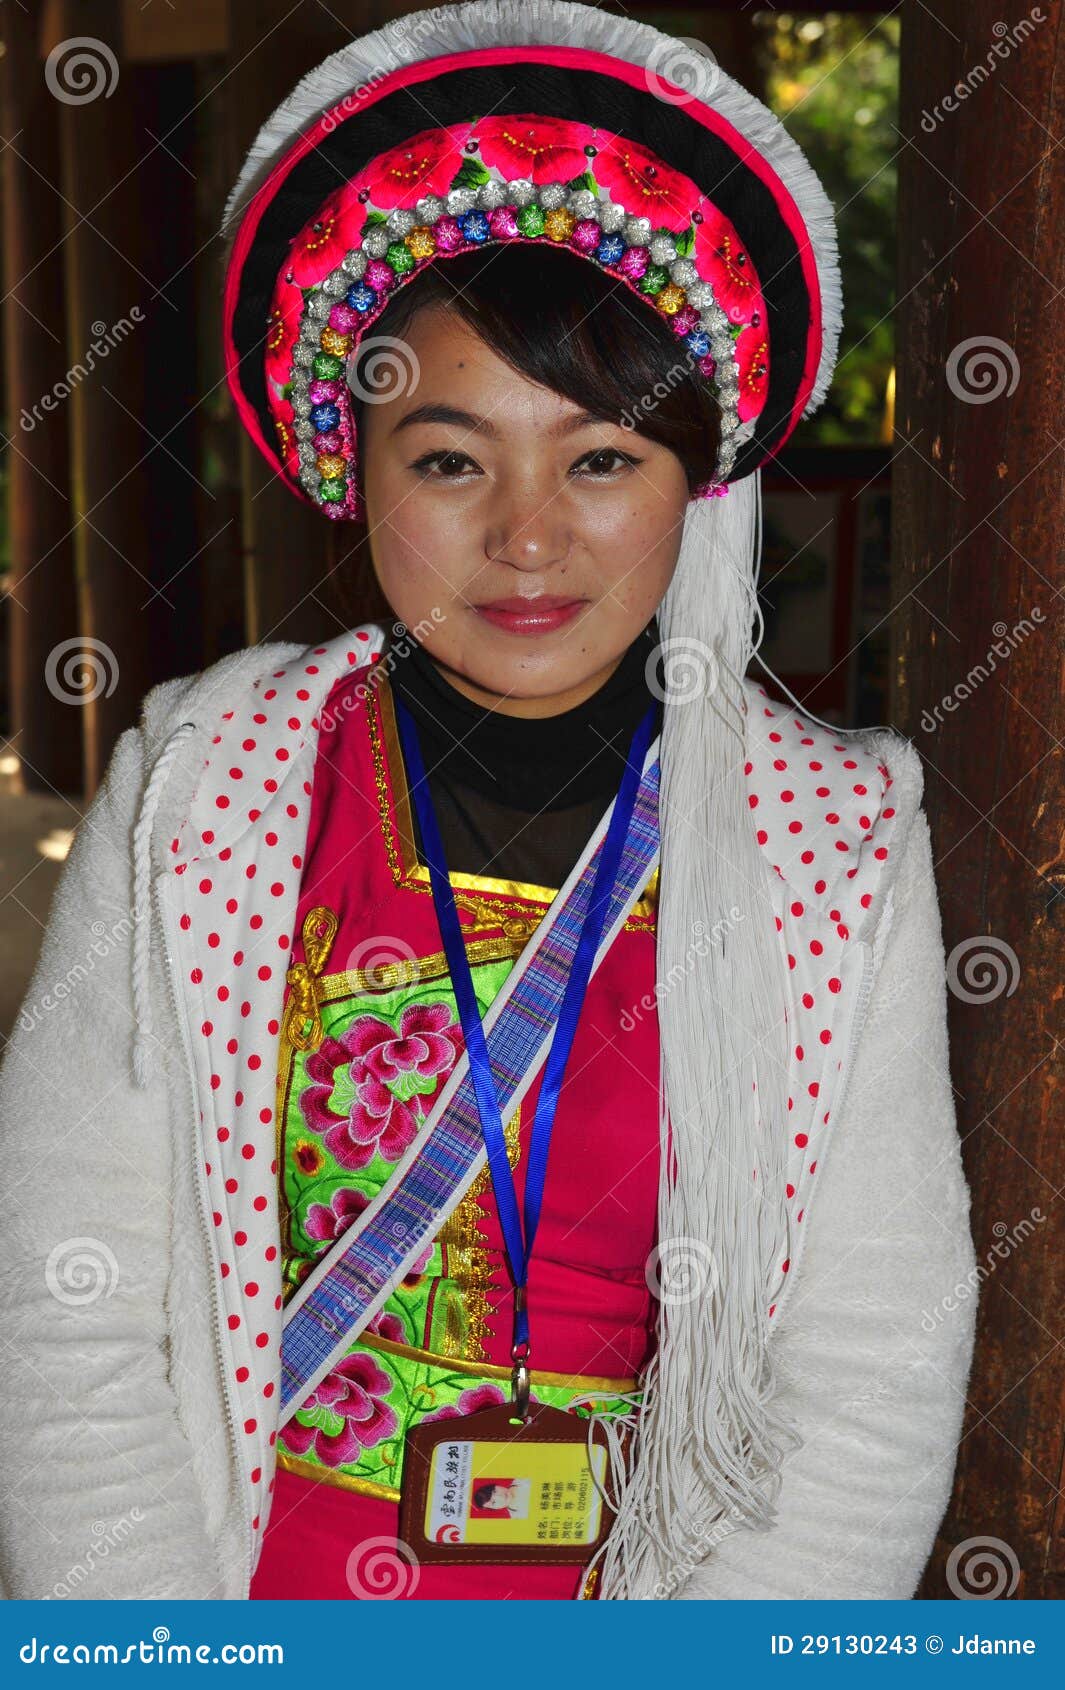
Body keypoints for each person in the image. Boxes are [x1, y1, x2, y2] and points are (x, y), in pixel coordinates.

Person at [0, 0, 977, 1603]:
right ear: (355, 462)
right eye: (451, 461)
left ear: (696, 486)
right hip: (258, 1590)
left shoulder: (834, 841)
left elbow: (866, 1362)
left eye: (600, 461)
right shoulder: (207, 785)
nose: (529, 541)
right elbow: (71, 1304)